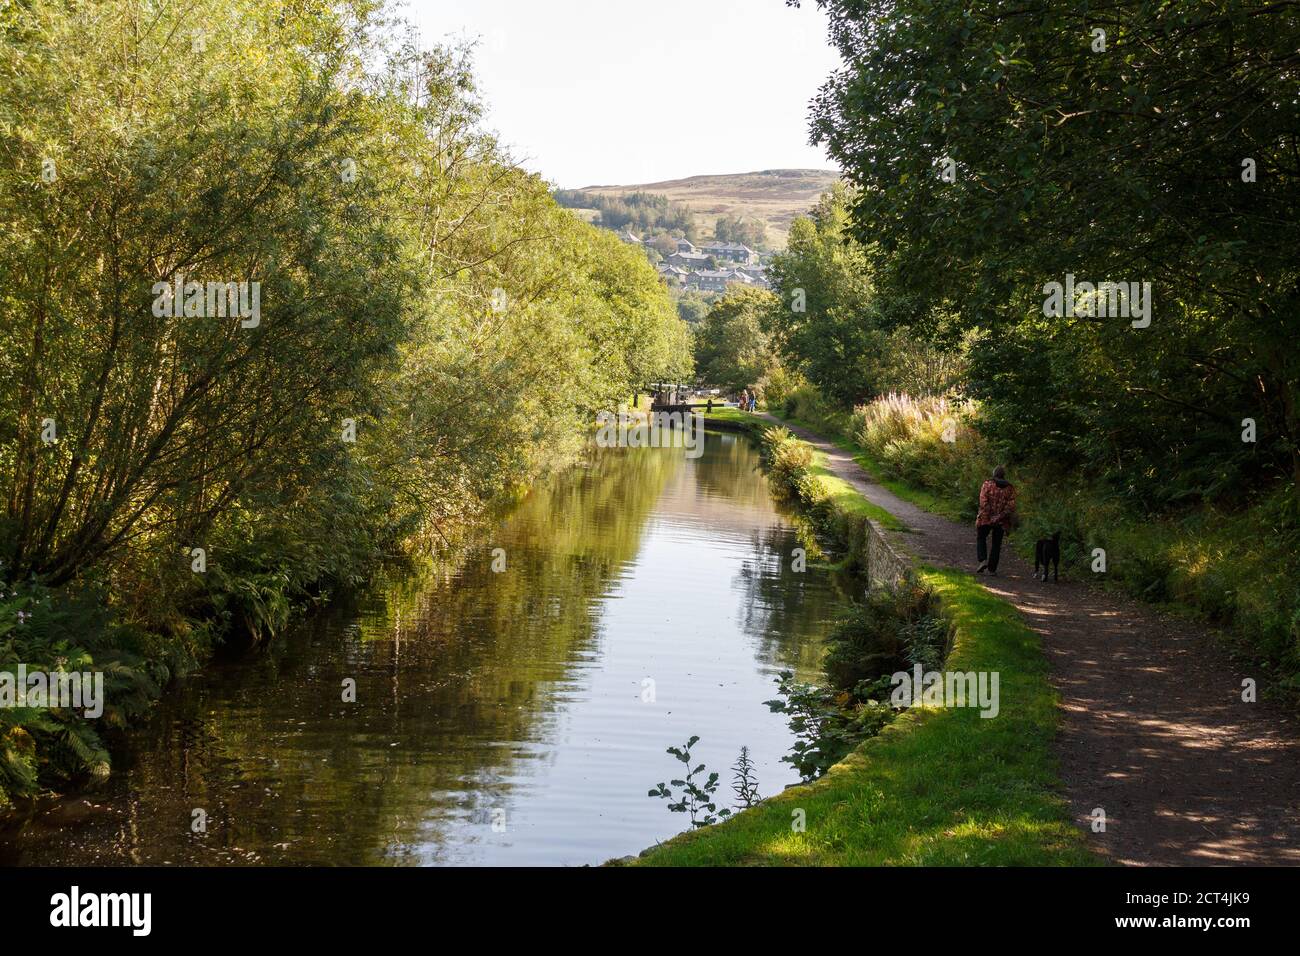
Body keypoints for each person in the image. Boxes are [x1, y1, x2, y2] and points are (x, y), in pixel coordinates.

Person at [976, 465, 1016, 575]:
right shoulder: (1010, 488)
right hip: (1002, 520)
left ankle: (983, 560)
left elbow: (983, 501)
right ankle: (992, 569)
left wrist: (990, 514)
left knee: (981, 537)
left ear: (994, 474)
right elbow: (1011, 506)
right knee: (996, 544)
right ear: (1004, 475)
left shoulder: (987, 484)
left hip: (985, 517)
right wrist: (999, 516)